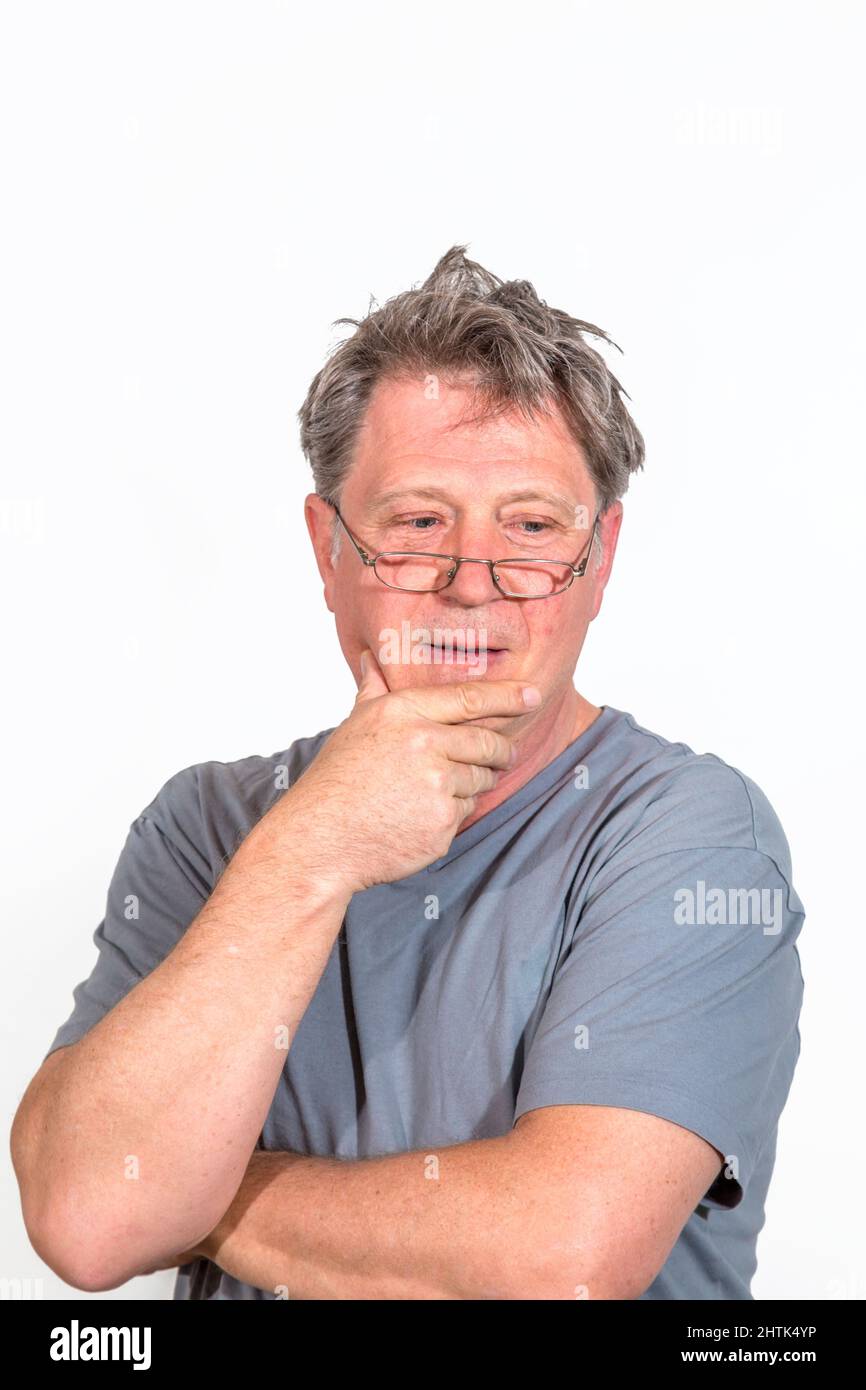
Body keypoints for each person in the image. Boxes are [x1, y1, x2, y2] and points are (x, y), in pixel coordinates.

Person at [11, 245, 805, 1300]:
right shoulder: (206, 827)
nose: (470, 582)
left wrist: (197, 1192)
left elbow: (556, 1263)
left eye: (529, 526)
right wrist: (309, 851)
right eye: (416, 521)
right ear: (326, 549)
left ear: (598, 558)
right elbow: (89, 1218)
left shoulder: (687, 834)